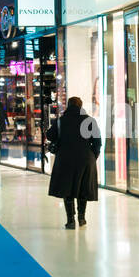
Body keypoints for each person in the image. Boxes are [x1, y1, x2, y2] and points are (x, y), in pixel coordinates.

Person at [47, 96, 101, 229]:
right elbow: (98, 142)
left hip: (65, 159)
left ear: (68, 106)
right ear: (81, 106)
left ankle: (70, 220)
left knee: (68, 190)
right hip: (85, 159)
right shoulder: (89, 121)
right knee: (83, 188)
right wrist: (93, 156)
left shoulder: (61, 121)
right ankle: (82, 219)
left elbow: (50, 136)